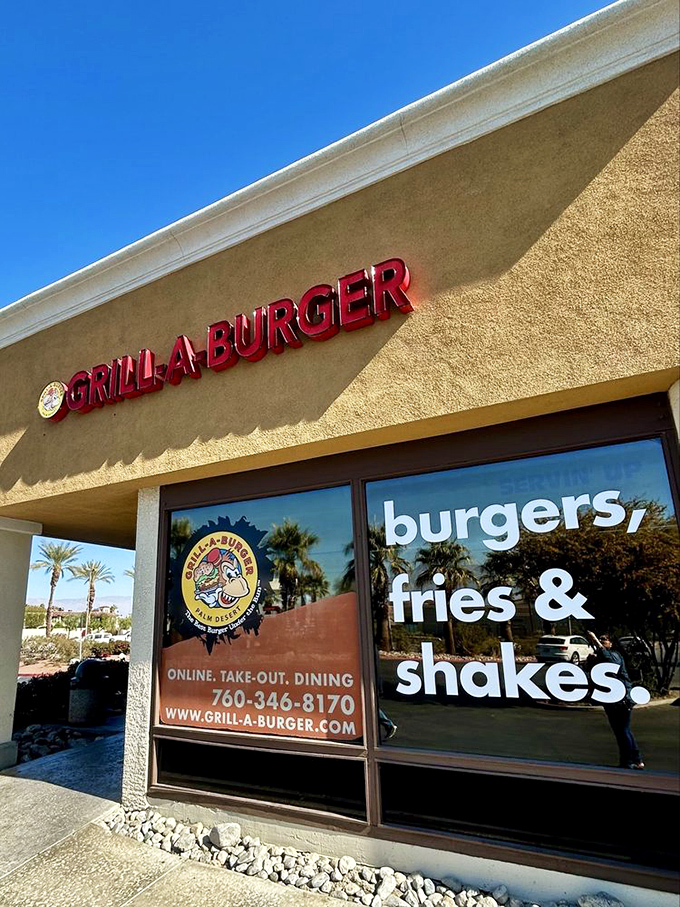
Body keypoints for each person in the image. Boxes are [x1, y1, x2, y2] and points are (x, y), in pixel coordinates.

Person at [586, 631, 644, 770]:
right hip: (610, 699)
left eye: (604, 640)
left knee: (622, 730)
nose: (601, 641)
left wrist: (595, 640)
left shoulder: (615, 655)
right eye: (600, 639)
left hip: (621, 699)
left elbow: (609, 660)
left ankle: (628, 761)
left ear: (611, 643)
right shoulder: (600, 657)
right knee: (623, 730)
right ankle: (636, 759)